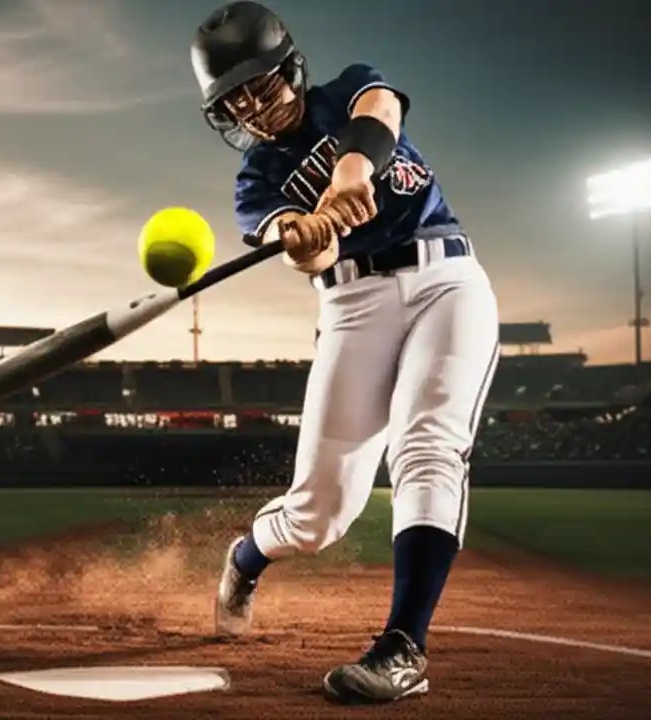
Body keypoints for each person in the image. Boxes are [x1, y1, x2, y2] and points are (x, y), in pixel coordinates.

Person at [191, 1, 501, 704]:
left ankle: (403, 648)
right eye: (236, 99)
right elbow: (308, 249)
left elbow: (380, 112)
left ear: (289, 69)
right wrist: (307, 237)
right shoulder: (255, 182)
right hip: (351, 304)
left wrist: (352, 172)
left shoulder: (349, 89)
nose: (254, 107)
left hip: (445, 278)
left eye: (261, 85)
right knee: (319, 514)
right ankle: (244, 558)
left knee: (428, 449)